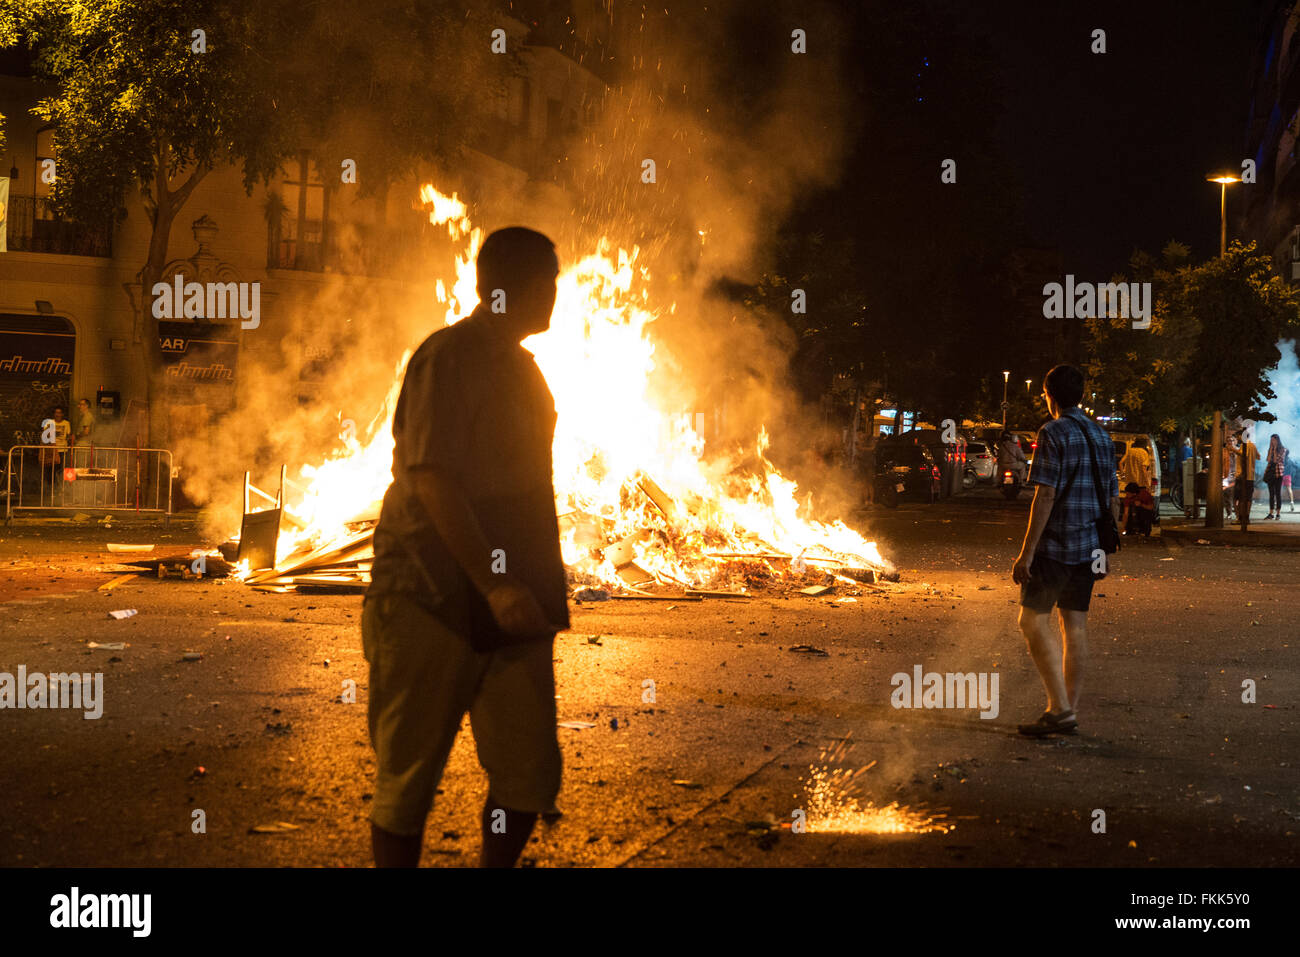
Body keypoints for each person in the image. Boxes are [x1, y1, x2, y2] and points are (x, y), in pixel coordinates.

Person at [362, 227, 569, 868]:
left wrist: (524, 587)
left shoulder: (525, 371)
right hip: (429, 596)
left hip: (515, 610)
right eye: (548, 283)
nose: (555, 295)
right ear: (520, 286)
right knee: (408, 779)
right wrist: (494, 581)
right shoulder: (448, 357)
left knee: (528, 774)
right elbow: (433, 478)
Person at [1012, 365, 1119, 737]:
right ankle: (1067, 709)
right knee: (1074, 626)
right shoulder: (1102, 436)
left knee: (1031, 621)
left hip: (1056, 545)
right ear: (1082, 395)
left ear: (1048, 394)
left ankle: (1059, 708)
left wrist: (1026, 553)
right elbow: (1112, 499)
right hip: (1090, 547)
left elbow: (1045, 495)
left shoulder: (1052, 432)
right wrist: (1104, 552)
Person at [1235, 428, 1260, 531]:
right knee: (1248, 498)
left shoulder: (1244, 445)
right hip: (1251, 475)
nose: (1237, 438)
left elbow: (1243, 455)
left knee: (1241, 498)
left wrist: (1233, 450)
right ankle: (1247, 517)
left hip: (1243, 475)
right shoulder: (1253, 445)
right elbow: (1258, 456)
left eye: (1238, 436)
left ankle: (1241, 518)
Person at [1263, 434, 1288, 521]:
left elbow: (1276, 460)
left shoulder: (1283, 449)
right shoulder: (1270, 449)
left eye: (1273, 440)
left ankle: (1278, 514)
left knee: (1278, 493)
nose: (1272, 442)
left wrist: (1274, 450)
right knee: (1271, 494)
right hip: (1270, 473)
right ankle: (1271, 513)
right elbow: (1268, 460)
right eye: (1271, 440)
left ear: (1277, 440)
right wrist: (1271, 450)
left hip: (1278, 473)